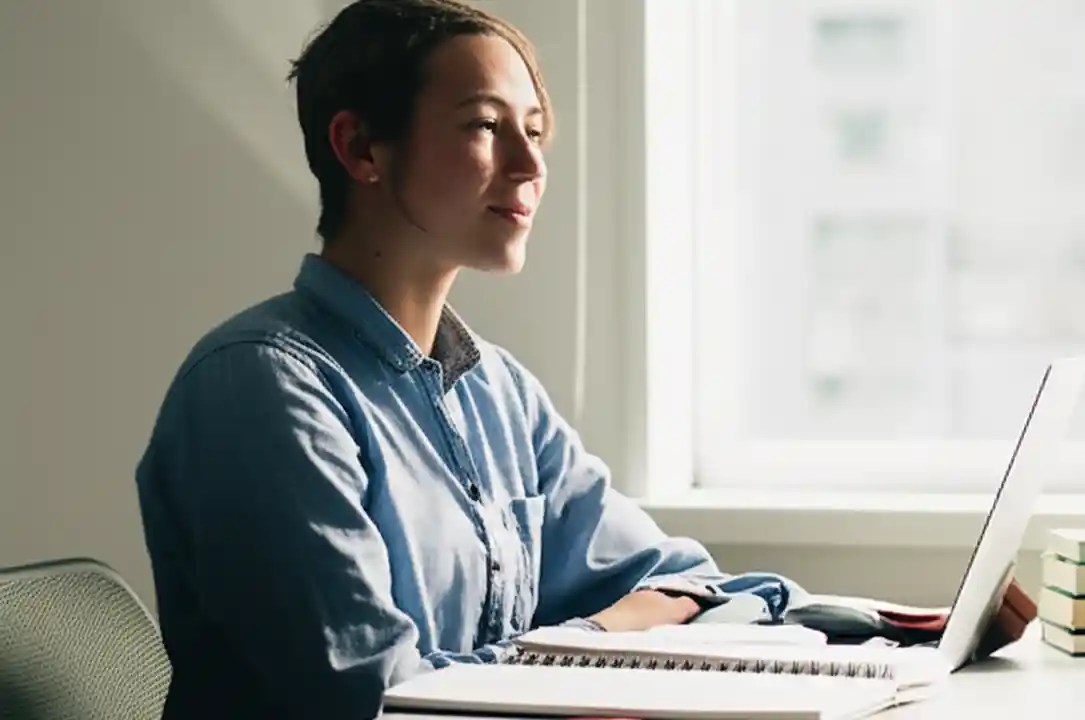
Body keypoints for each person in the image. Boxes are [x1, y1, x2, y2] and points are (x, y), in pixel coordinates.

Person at [134, 1, 1028, 718]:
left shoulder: (496, 393)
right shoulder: (263, 389)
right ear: (361, 148)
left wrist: (893, 627)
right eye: (487, 126)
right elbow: (374, 698)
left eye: (536, 130)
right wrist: (600, 632)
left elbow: (678, 584)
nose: (530, 165)